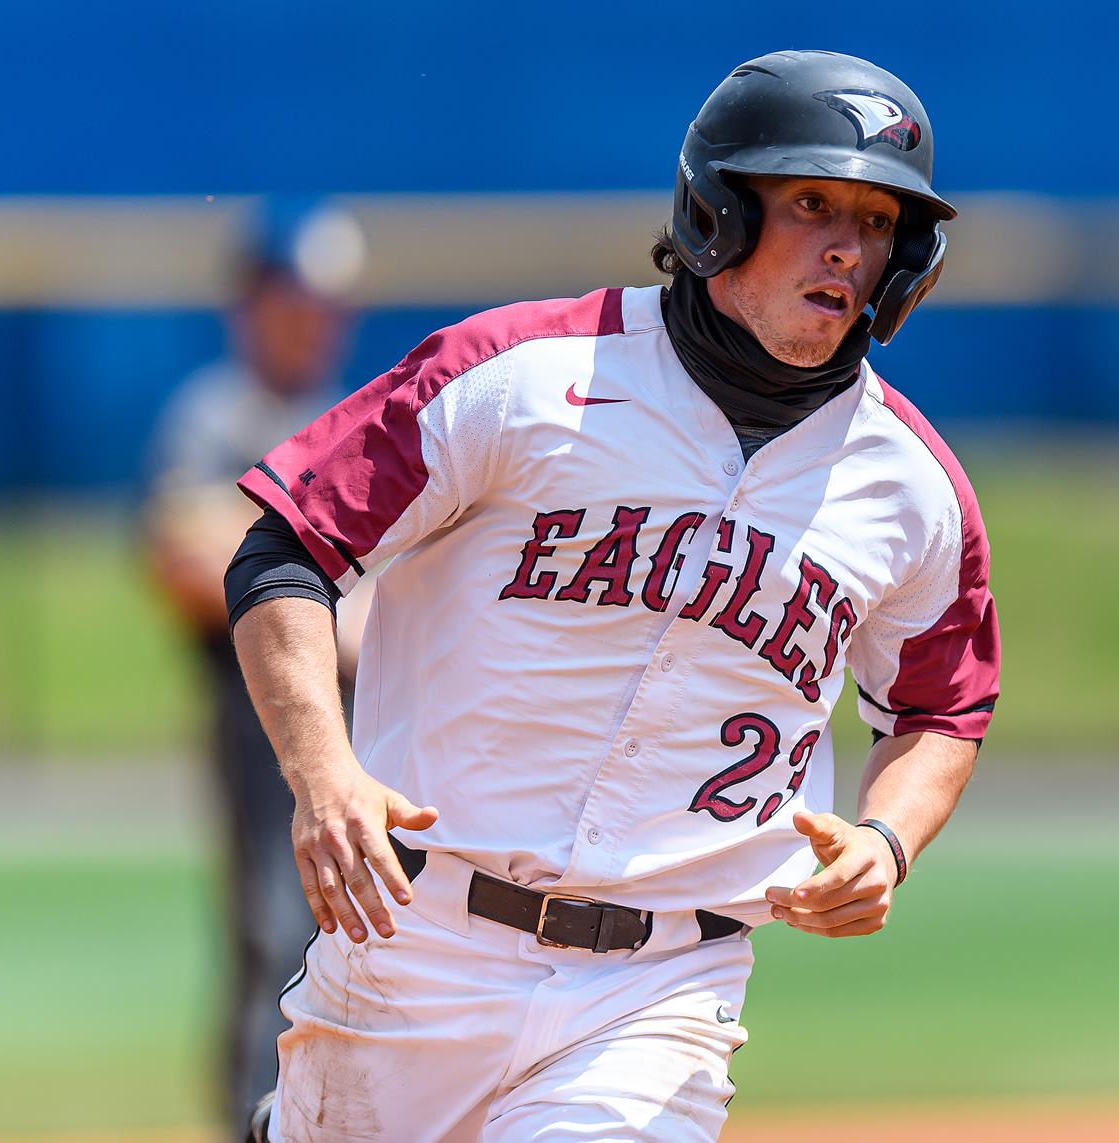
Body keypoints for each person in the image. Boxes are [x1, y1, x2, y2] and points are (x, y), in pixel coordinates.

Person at [225, 50, 999, 1142]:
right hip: (416, 941)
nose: (846, 248)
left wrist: (886, 839)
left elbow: (937, 708)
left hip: (660, 989)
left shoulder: (911, 490)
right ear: (717, 212)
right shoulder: (521, 376)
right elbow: (286, 549)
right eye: (812, 203)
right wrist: (322, 774)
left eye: (878, 224)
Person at [140, 198, 371, 1137]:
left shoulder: (351, 417)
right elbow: (186, 556)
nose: (310, 321)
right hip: (259, 719)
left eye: (324, 304)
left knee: (366, 935)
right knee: (273, 929)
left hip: (370, 719)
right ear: (250, 304)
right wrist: (336, 615)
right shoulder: (218, 412)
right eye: (291, 300)